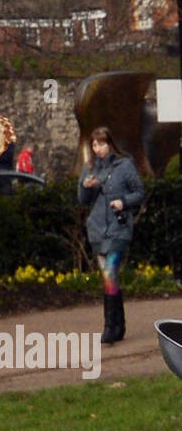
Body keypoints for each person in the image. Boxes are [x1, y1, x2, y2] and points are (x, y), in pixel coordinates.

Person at [78, 125, 145, 344]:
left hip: (118, 229)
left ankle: (110, 327)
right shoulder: (90, 168)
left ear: (110, 144)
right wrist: (87, 187)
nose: (98, 148)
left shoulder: (124, 165)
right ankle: (119, 325)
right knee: (109, 279)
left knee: (110, 274)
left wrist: (123, 201)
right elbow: (82, 200)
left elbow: (139, 192)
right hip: (97, 229)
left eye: (101, 143)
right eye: (94, 144)